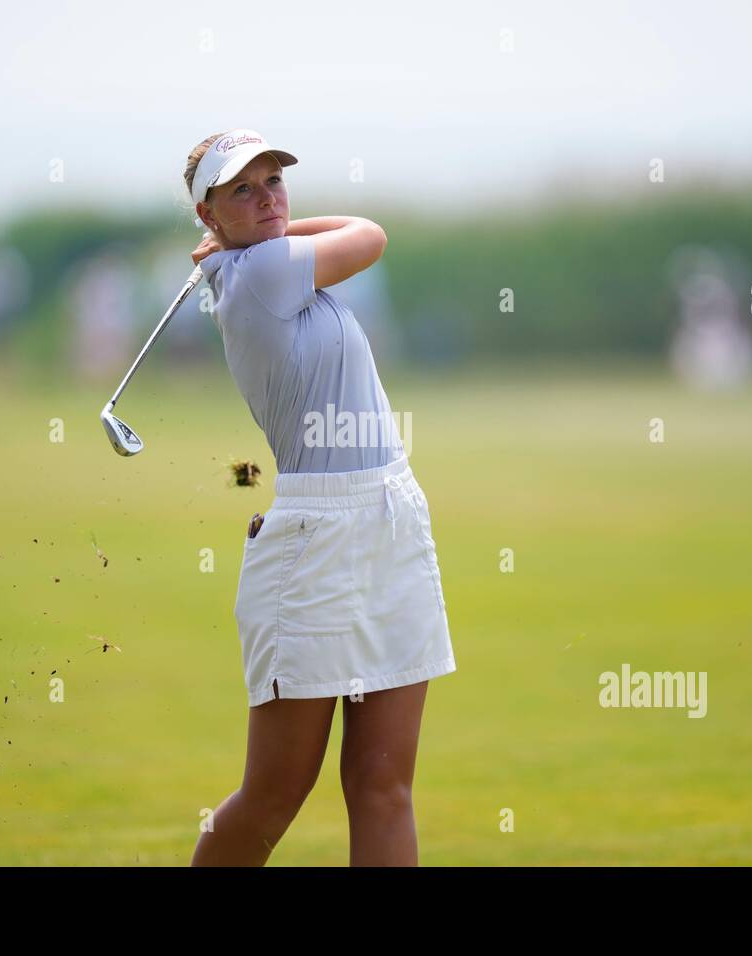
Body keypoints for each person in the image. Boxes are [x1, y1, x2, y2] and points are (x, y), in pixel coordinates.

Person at [183, 129, 456, 866]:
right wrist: (247, 244)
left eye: (275, 181)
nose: (269, 197)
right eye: (244, 188)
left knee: (384, 787)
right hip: (316, 540)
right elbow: (368, 234)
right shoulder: (261, 274)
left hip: (391, 514)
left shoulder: (258, 261)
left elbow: (336, 237)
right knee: (275, 793)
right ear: (208, 214)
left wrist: (241, 237)